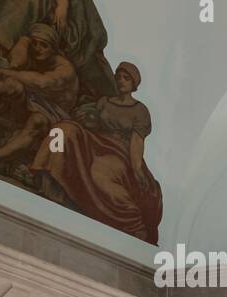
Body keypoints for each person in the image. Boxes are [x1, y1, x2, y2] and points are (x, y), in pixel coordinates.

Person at [31, 61, 162, 243]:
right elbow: (93, 124)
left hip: (120, 152)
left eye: (127, 78)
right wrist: (87, 119)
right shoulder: (104, 102)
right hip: (97, 141)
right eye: (119, 77)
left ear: (134, 85)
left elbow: (136, 143)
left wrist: (137, 169)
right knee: (62, 130)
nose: (121, 81)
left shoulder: (140, 111)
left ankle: (134, 222)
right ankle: (48, 180)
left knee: (99, 173)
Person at [0, 23, 79, 169]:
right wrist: (23, 43)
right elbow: (15, 64)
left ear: (54, 49)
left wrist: (1, 72)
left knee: (37, 120)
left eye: (44, 45)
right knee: (9, 84)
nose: (37, 48)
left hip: (54, 114)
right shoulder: (33, 54)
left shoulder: (64, 69)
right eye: (34, 43)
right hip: (31, 101)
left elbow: (41, 83)